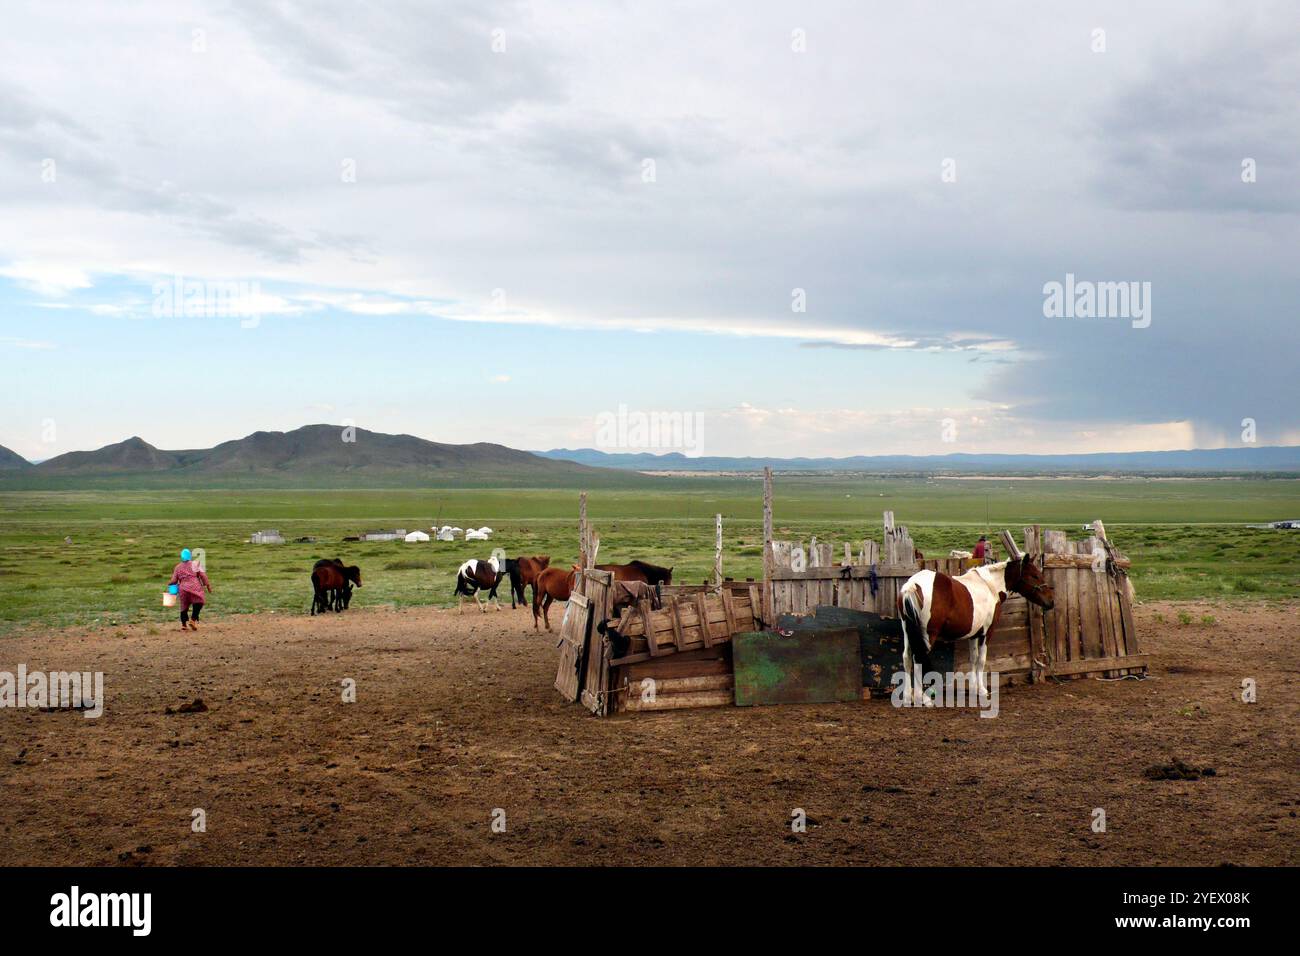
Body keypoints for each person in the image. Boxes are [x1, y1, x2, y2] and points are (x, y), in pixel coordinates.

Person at [168, 548, 212, 631]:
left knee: (184, 606)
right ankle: (193, 620)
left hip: (183, 589)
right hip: (194, 587)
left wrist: (169, 584)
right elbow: (203, 576)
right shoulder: (195, 564)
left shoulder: (177, 567)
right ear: (190, 556)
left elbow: (174, 580)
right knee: (199, 601)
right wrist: (208, 586)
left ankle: (184, 625)